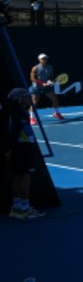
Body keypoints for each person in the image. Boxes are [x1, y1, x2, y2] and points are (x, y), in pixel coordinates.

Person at [3, 89, 44, 219]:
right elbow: (14, 133)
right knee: (25, 178)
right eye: (26, 97)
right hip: (22, 149)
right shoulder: (20, 114)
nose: (29, 99)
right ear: (20, 99)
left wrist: (9, 150)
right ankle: (25, 209)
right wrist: (9, 149)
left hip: (17, 149)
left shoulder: (14, 112)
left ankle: (17, 209)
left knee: (17, 177)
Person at [28, 53, 65, 125]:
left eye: (45, 58)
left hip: (47, 87)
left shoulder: (50, 67)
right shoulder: (35, 68)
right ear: (39, 60)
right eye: (43, 59)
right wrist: (41, 83)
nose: (44, 60)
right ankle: (31, 117)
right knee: (35, 102)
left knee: (55, 99)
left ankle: (56, 113)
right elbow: (32, 78)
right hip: (36, 87)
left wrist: (49, 81)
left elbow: (50, 77)